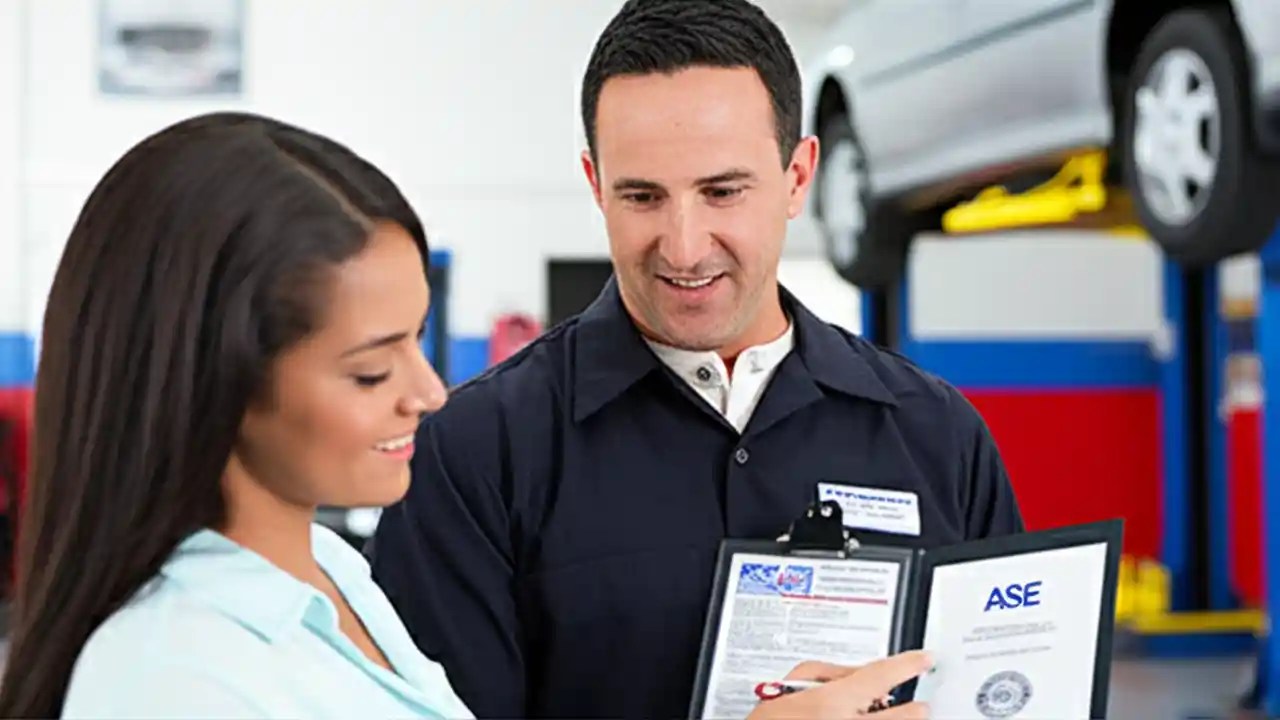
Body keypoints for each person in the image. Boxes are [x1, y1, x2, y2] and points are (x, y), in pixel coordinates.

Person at [366, 0, 1024, 718]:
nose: (684, 246)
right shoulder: (474, 456)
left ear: (799, 176)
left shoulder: (937, 437)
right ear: (596, 185)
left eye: (723, 192)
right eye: (643, 197)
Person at [0, 112, 471, 718]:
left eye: (419, 338)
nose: (430, 393)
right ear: (221, 380)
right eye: (371, 372)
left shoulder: (329, 569)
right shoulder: (165, 681)